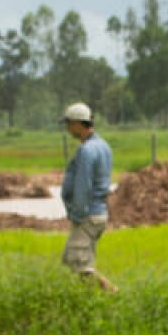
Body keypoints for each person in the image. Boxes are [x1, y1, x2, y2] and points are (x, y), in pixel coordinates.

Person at [60, 102, 117, 293]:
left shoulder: (86, 150)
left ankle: (112, 294)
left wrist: (77, 215)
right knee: (74, 261)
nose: (68, 128)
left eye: (69, 123)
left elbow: (83, 186)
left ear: (78, 123)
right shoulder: (103, 146)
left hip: (88, 214)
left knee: (78, 265)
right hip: (98, 213)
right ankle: (89, 299)